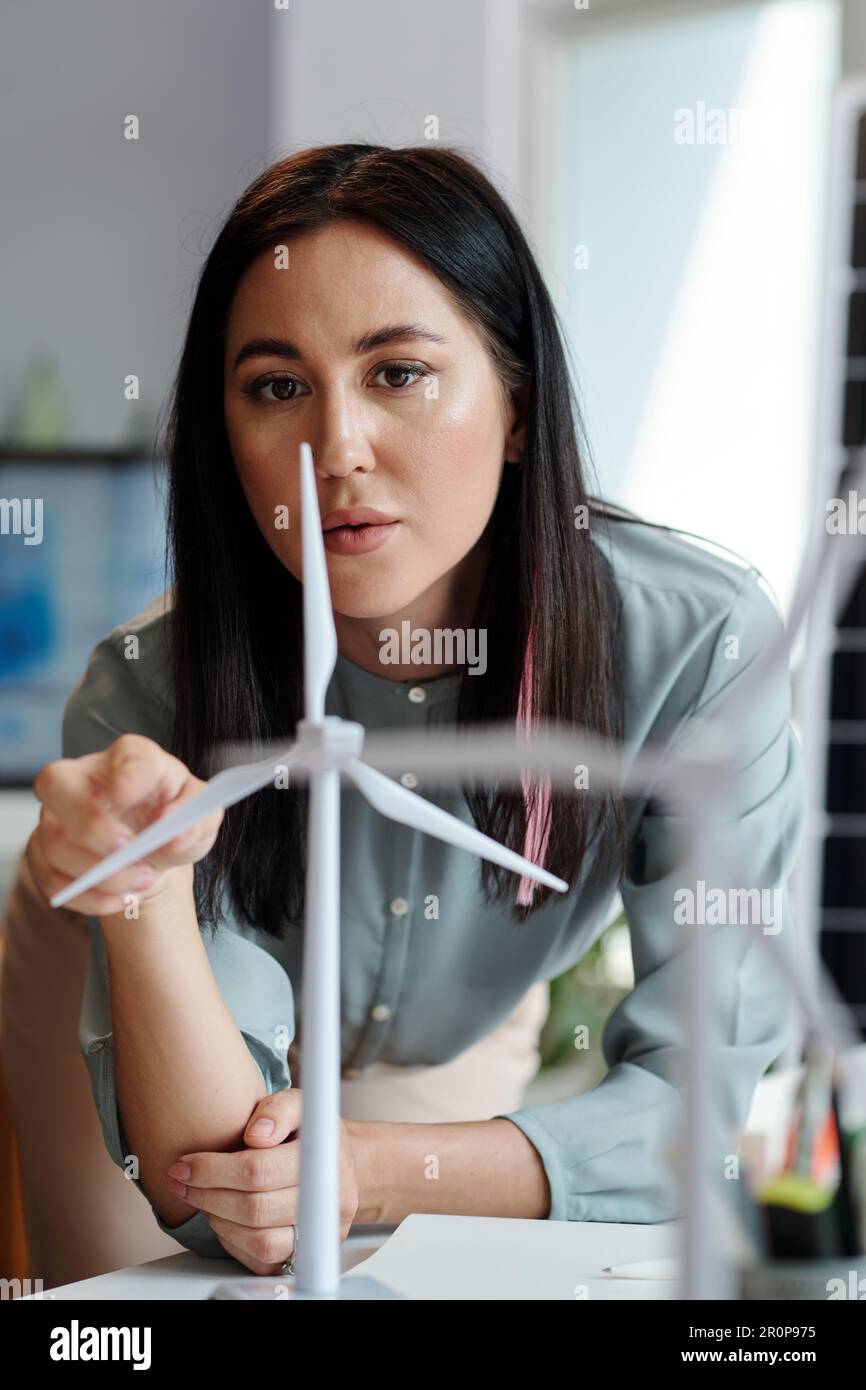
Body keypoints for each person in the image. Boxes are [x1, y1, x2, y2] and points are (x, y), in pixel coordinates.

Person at [22, 144, 804, 1277]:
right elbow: (205, 1185)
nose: (335, 450)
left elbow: (699, 1103)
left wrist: (376, 1163)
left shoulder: (698, 645)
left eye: (398, 373)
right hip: (129, 992)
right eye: (276, 386)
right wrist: (139, 889)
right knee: (151, 1304)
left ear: (519, 408)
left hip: (445, 1042)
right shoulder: (143, 697)